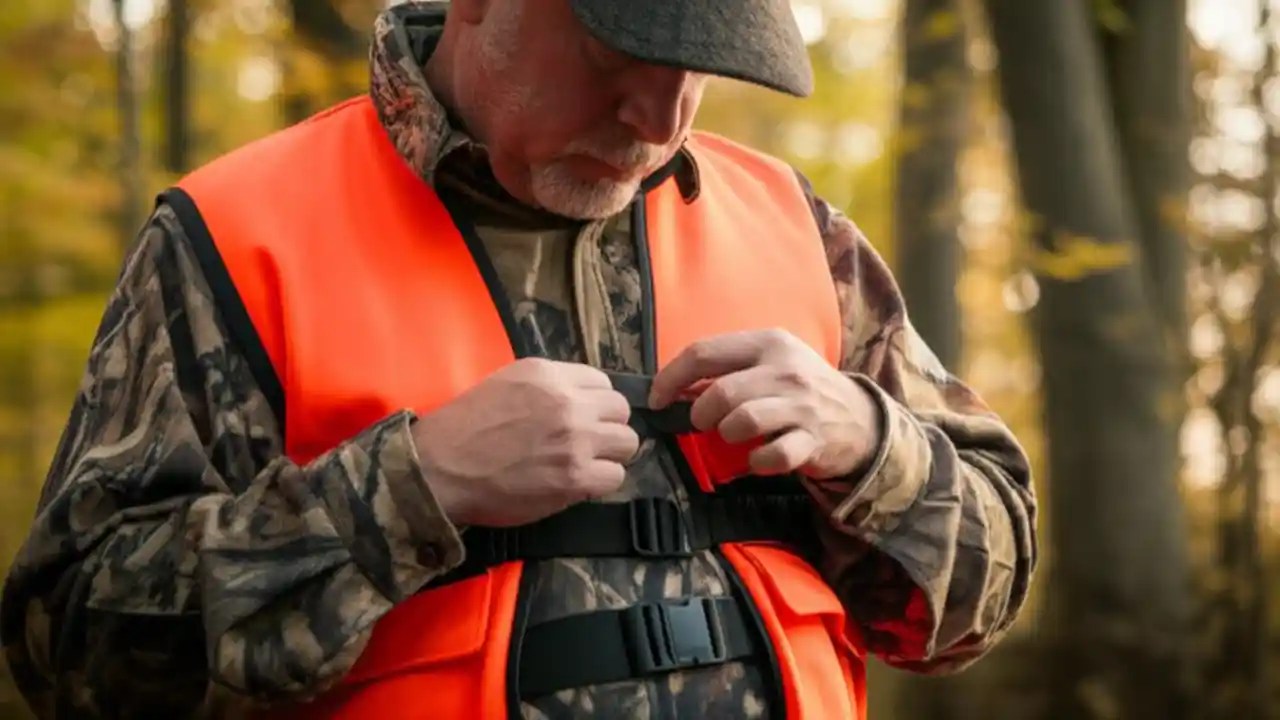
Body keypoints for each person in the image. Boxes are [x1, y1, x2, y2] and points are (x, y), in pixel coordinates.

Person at [0, 1, 1037, 718]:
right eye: (615, 55)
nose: (659, 122)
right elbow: (69, 655)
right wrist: (410, 488)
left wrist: (871, 444)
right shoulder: (238, 236)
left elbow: (981, 602)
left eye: (699, 71)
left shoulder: (794, 228)